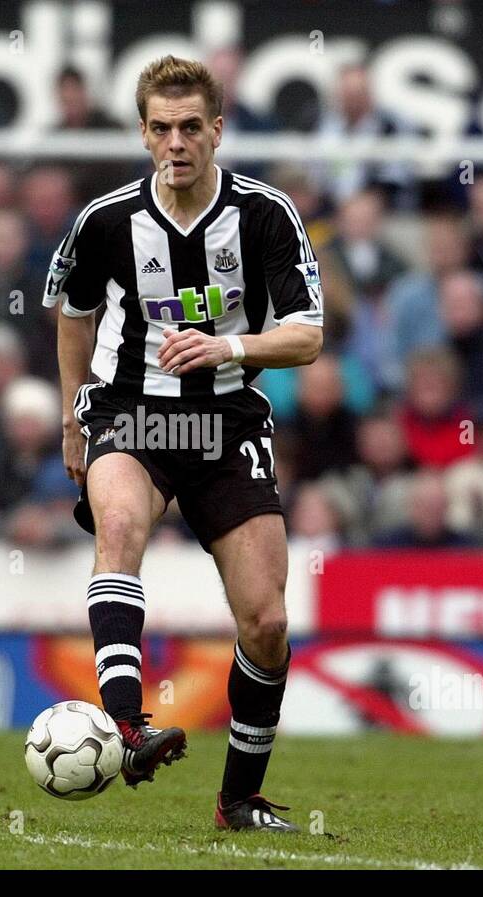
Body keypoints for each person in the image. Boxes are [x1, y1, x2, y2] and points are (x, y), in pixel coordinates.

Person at [43, 56, 323, 832]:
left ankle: (239, 799)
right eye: (161, 128)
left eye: (191, 127)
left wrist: (229, 349)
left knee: (265, 622)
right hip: (131, 411)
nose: (176, 142)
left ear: (217, 130)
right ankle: (128, 725)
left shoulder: (266, 214)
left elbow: (307, 338)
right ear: (142, 133)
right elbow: (72, 310)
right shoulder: (105, 221)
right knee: (120, 529)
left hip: (227, 420)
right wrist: (74, 416)